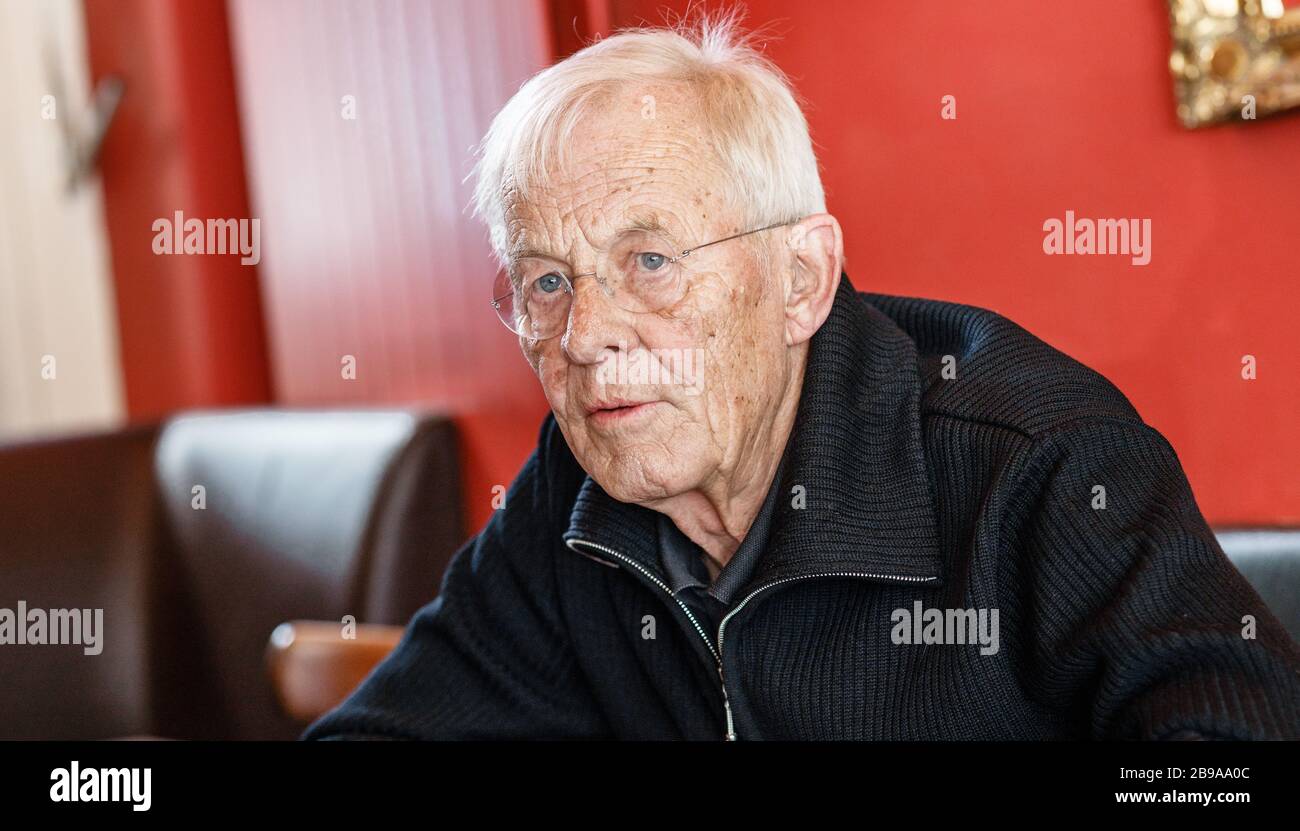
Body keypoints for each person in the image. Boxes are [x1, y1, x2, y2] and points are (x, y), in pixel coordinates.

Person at [304, 17, 1300, 740]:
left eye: (649, 262)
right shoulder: (575, 494)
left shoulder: (1036, 464)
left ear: (799, 279)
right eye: (546, 282)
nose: (586, 335)